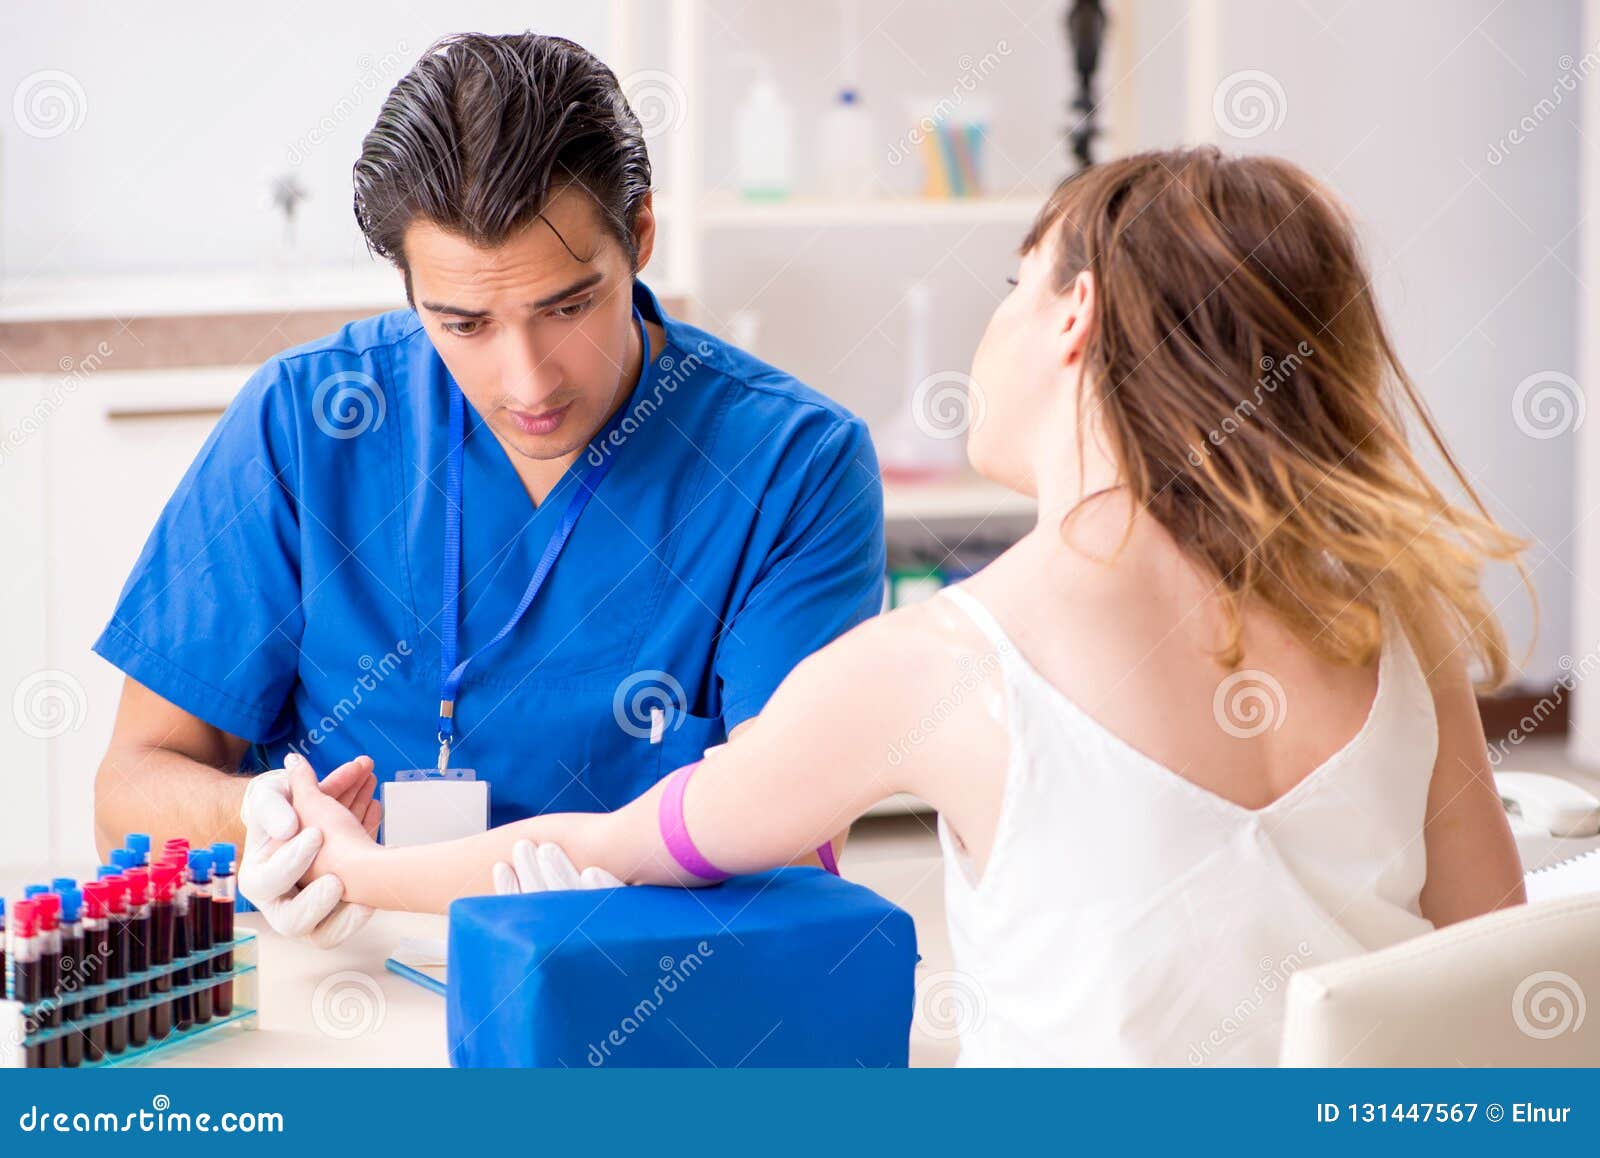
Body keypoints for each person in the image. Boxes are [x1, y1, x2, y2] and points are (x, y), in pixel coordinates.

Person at [284, 146, 1530, 1065]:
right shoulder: (1395, 619)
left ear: (1074, 317)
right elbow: (1486, 967)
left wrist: (362, 867)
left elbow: (619, 847)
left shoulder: (945, 660)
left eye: (1013, 282)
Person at [89, 33, 884, 947]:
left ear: (643, 236)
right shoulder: (309, 423)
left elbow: (797, 833)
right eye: (463, 322)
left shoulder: (792, 465)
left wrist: (614, 888)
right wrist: (256, 820)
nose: (528, 382)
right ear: (408, 285)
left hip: (638, 986)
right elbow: (129, 793)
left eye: (569, 306)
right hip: (347, 970)